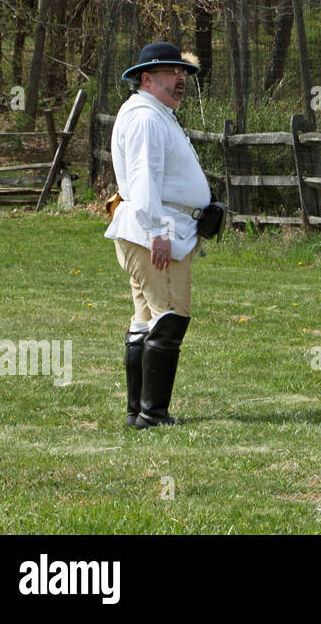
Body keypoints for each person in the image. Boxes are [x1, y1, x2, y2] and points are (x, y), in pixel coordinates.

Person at [106, 41, 209, 428]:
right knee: (170, 316)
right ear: (146, 79)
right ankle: (152, 414)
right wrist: (159, 232)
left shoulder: (153, 113)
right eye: (171, 72)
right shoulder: (147, 117)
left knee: (146, 320)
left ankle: (139, 413)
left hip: (152, 230)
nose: (180, 78)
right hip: (156, 232)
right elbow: (144, 179)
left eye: (182, 72)